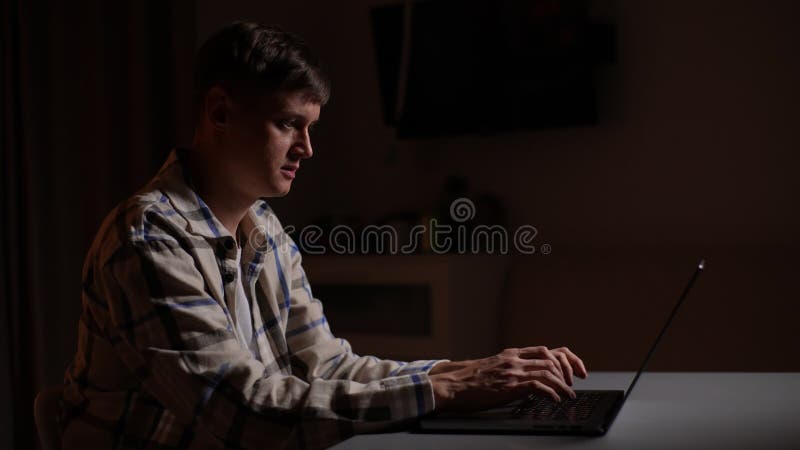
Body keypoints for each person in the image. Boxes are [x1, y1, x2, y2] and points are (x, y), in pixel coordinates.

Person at [61, 22, 588, 449]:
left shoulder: (264, 229)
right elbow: (241, 412)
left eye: (310, 127)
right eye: (289, 123)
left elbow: (330, 365)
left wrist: (472, 372)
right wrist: (442, 389)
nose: (307, 148)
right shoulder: (148, 237)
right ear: (219, 111)